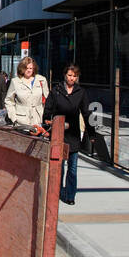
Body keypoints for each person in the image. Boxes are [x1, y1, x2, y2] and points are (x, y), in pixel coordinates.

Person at [44, 64, 89, 206]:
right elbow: (48, 109)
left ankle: (70, 195)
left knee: (73, 167)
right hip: (59, 131)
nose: (72, 78)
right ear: (65, 75)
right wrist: (47, 124)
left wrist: (91, 133)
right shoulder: (57, 90)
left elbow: (86, 112)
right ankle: (56, 192)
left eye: (74, 76)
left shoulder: (80, 92)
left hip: (74, 133)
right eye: (70, 75)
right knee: (59, 166)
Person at [4, 56, 49, 129]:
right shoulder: (15, 82)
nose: (28, 70)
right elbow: (8, 100)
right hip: (21, 122)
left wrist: (44, 116)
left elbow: (48, 100)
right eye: (26, 68)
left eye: (30, 68)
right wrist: (14, 118)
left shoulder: (42, 80)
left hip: (37, 121)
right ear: (22, 69)